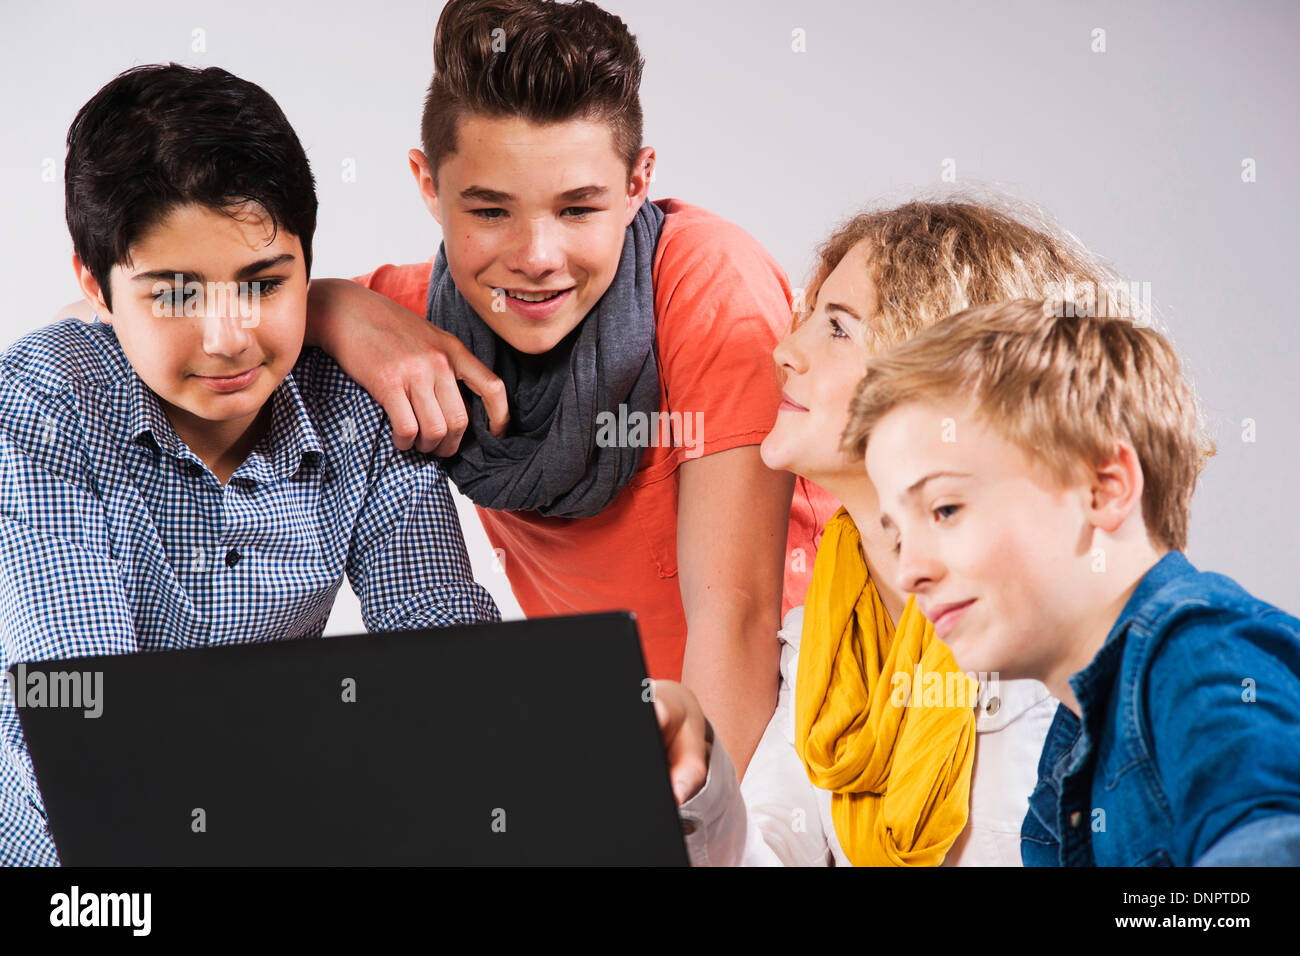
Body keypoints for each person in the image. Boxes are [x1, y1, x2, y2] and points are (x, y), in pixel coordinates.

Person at [297, 0, 836, 775]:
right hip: (624, 738)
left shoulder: (705, 278)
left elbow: (739, 616)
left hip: (793, 738)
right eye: (489, 210)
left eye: (578, 208)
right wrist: (332, 305)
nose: (537, 257)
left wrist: (697, 832)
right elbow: (127, 325)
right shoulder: (417, 320)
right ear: (426, 181)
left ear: (638, 181)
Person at [1, 63, 498, 866]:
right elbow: (84, 734)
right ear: (95, 285)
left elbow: (448, 660)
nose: (228, 338)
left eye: (263, 283)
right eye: (174, 295)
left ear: (309, 269)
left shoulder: (356, 409)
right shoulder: (44, 412)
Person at [656, 198, 1121, 865]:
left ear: (953, 372)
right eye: (806, 319)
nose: (786, 352)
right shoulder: (822, 639)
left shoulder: (1064, 642)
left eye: (838, 329)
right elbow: (774, 854)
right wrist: (697, 778)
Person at [847, 297, 1300, 866]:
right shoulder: (1068, 759)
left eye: (944, 509)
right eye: (896, 535)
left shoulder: (1196, 655)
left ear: (1104, 490)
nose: (911, 571)